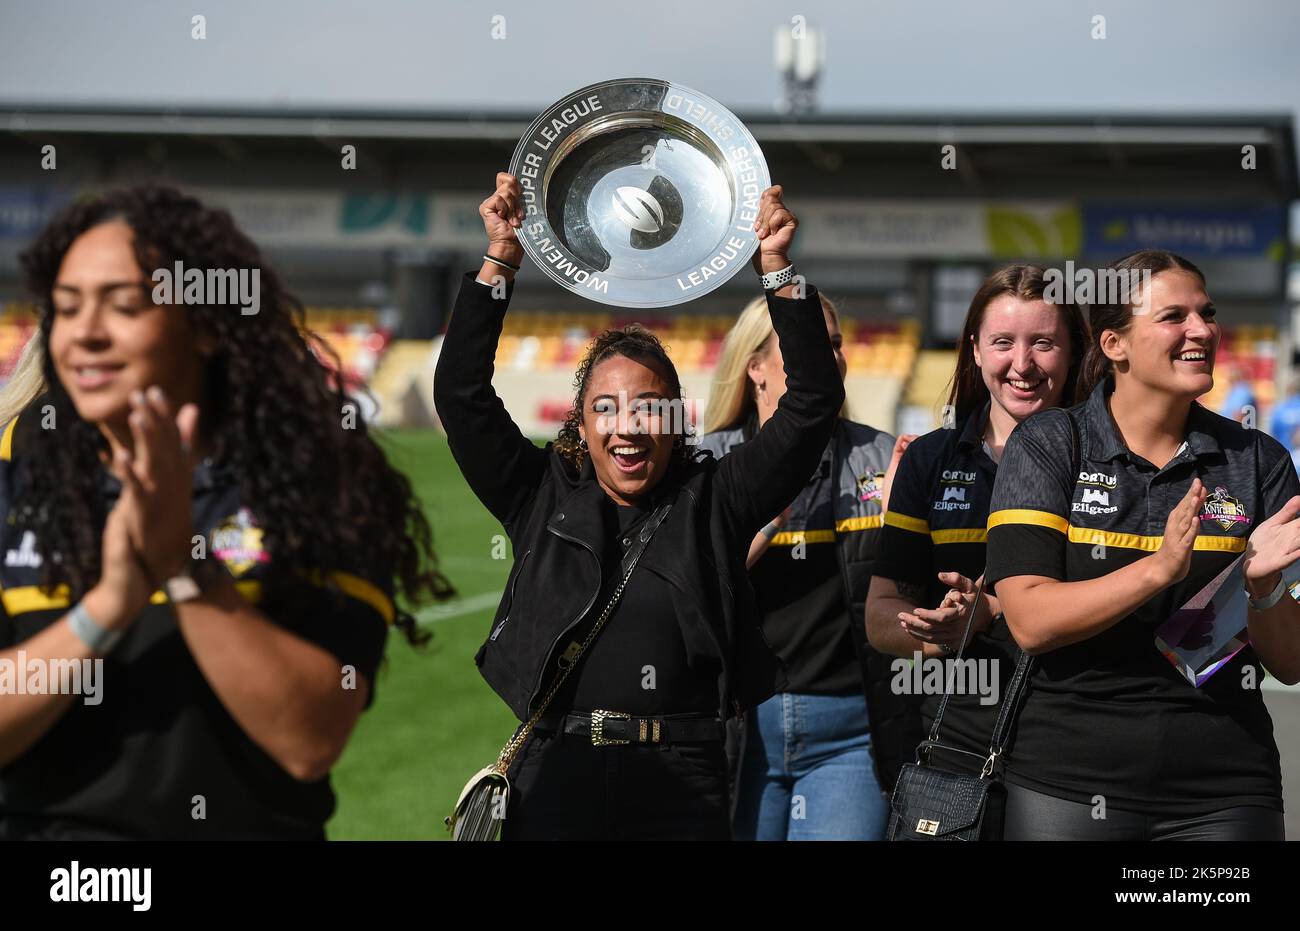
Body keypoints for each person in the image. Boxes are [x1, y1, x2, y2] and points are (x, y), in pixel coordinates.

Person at [0, 184, 451, 839]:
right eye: (66, 309)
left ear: (208, 325)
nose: (86, 334)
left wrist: (185, 569)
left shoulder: (314, 475)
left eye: (125, 305)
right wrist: (110, 604)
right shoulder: (18, 472)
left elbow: (309, 738)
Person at [433, 173, 844, 840]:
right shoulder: (538, 495)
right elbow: (460, 393)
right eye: (607, 408)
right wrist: (500, 261)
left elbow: (811, 406)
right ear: (582, 424)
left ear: (677, 420)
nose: (628, 426)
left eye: (648, 407)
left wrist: (778, 270)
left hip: (684, 779)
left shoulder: (717, 498)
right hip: (556, 773)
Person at [987, 250, 1300, 841]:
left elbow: (1291, 661)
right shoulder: (1049, 444)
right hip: (1068, 783)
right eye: (1174, 316)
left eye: (1206, 314)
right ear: (1114, 345)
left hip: (1227, 791)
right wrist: (1157, 570)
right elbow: (1029, 619)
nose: (1202, 330)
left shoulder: (1259, 461)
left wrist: (1263, 590)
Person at [700, 294, 911, 840]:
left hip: (850, 733)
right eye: (808, 346)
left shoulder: (881, 457)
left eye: (835, 345)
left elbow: (910, 596)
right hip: (738, 734)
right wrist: (757, 525)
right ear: (755, 367)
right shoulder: (706, 463)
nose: (829, 358)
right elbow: (675, 598)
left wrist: (906, 533)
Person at [866, 265, 1087, 777]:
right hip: (950, 745)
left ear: (1074, 350)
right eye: (1003, 342)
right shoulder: (928, 459)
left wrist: (995, 610)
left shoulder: (1109, 461)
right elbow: (879, 618)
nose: (1022, 364)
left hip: (1072, 747)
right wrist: (946, 632)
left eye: (1044, 343)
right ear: (975, 349)